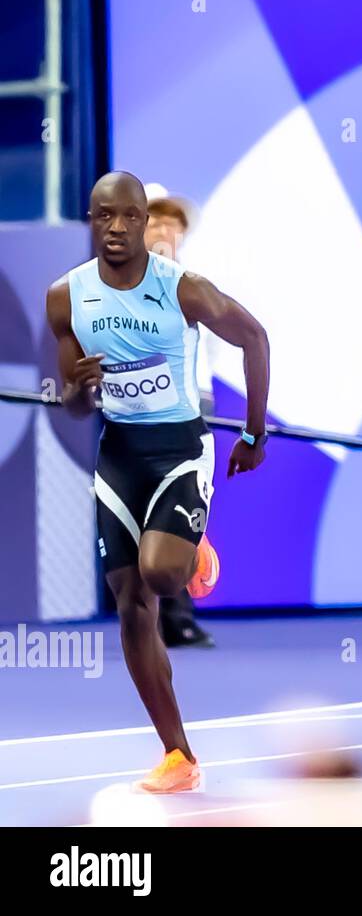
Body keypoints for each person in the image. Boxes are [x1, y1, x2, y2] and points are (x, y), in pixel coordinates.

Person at [45, 171, 271, 792]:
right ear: (91, 222)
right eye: (102, 217)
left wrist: (254, 435)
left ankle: (188, 541)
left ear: (144, 224)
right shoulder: (66, 297)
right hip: (118, 455)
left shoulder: (183, 290)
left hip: (178, 448)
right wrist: (80, 390)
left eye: (127, 217)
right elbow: (73, 405)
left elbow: (254, 337)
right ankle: (180, 756)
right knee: (130, 608)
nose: (115, 228)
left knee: (162, 574)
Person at [143, 183, 217, 647]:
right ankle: (155, 618)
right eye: (155, 219)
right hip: (141, 413)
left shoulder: (192, 285)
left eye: (174, 221)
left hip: (191, 411)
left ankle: (177, 616)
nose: (167, 229)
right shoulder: (109, 286)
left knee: (182, 514)